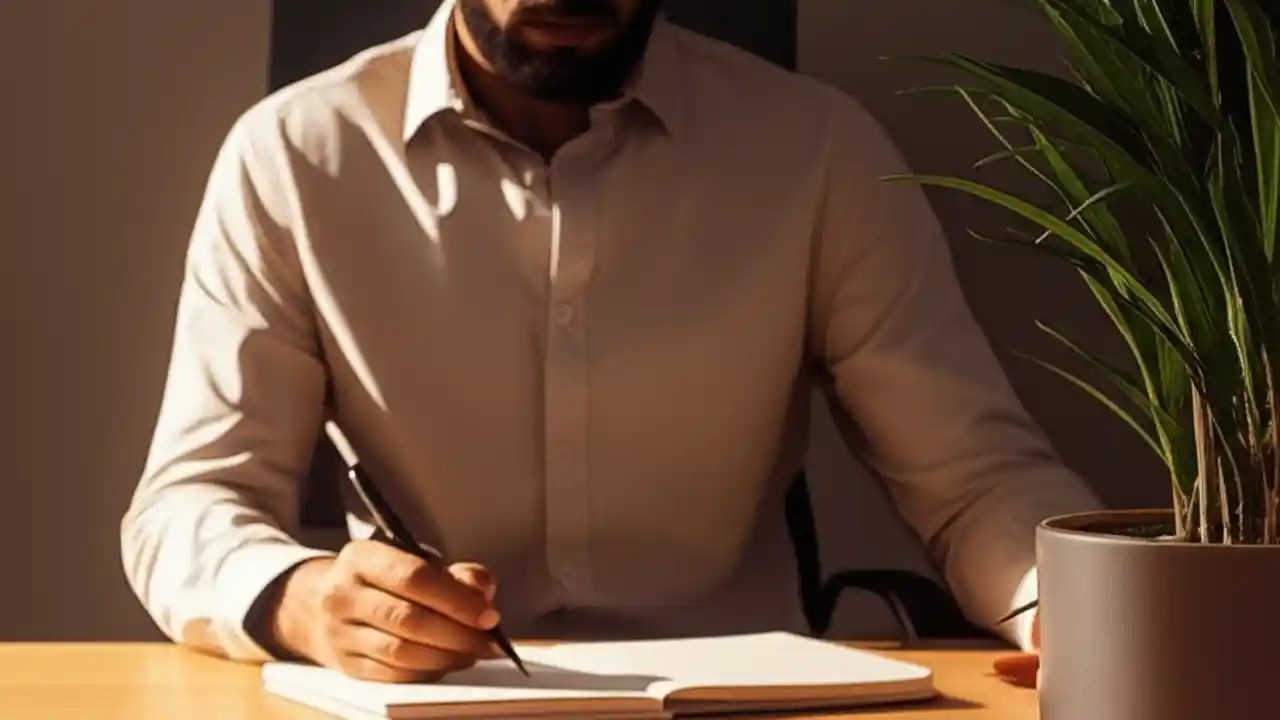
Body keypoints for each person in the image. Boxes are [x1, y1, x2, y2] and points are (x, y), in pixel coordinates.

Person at [121, 0, 1099, 684]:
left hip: (738, 701)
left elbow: (972, 480)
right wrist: (300, 600)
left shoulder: (817, 151)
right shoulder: (294, 155)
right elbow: (191, 502)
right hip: (429, 701)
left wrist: (1082, 614)